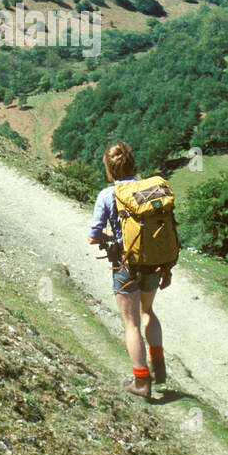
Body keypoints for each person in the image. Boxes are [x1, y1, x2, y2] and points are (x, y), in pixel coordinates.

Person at [87, 141, 171, 399]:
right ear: (134, 165)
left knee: (131, 323)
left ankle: (141, 381)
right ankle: (158, 370)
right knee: (148, 311)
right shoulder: (151, 189)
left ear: (109, 170)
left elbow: (92, 236)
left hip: (125, 265)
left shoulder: (106, 195)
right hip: (154, 263)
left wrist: (108, 235)